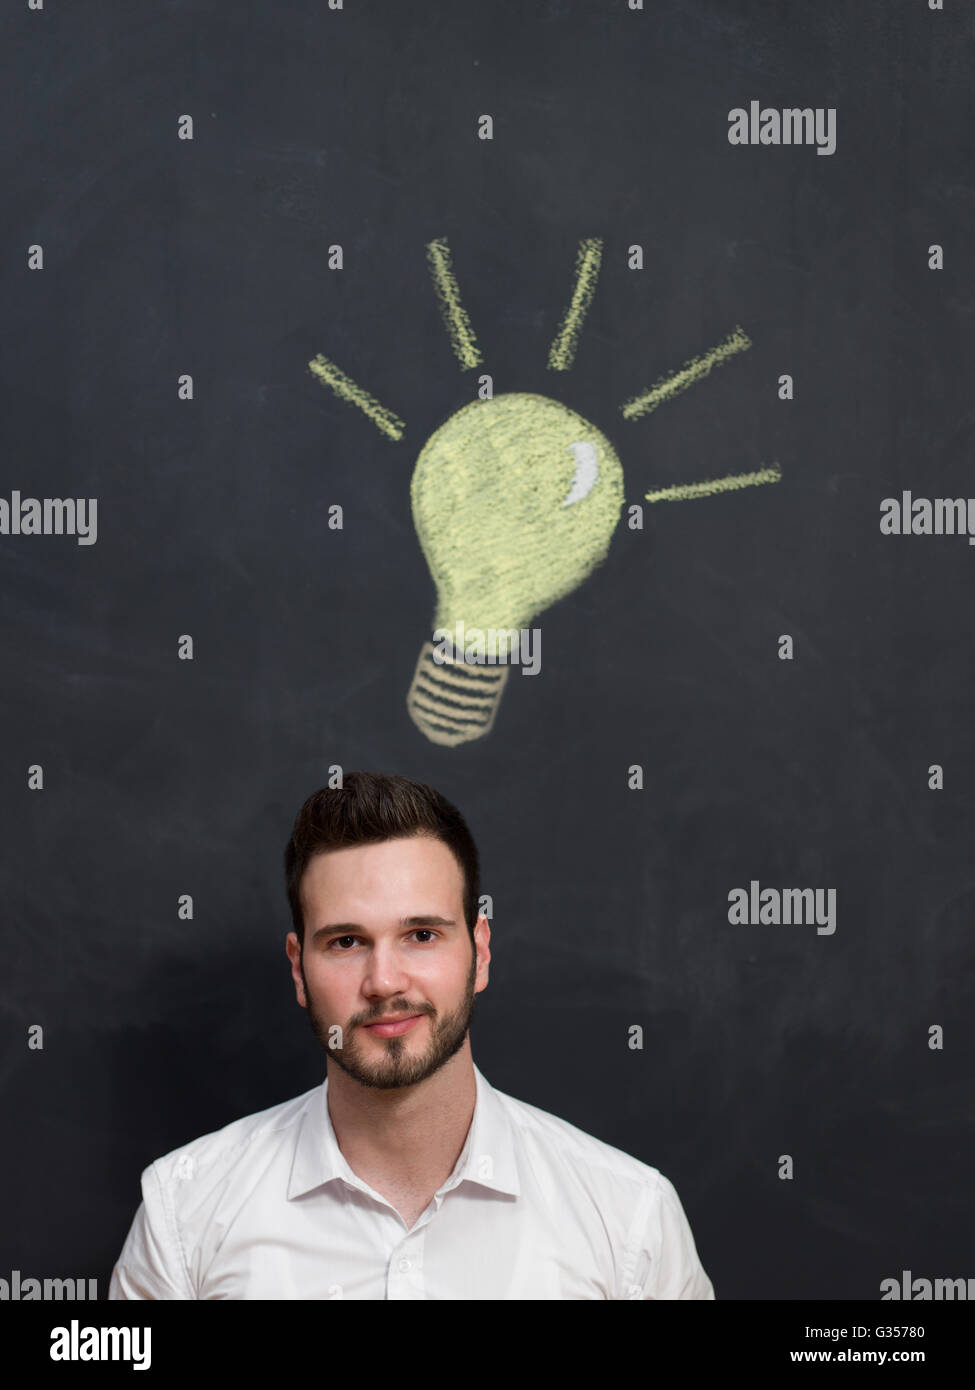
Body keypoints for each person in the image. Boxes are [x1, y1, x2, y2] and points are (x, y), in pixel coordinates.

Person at [109, 771, 714, 1300]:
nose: (383, 981)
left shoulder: (628, 1218)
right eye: (346, 942)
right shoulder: (184, 1213)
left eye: (422, 934)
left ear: (479, 953)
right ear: (298, 969)